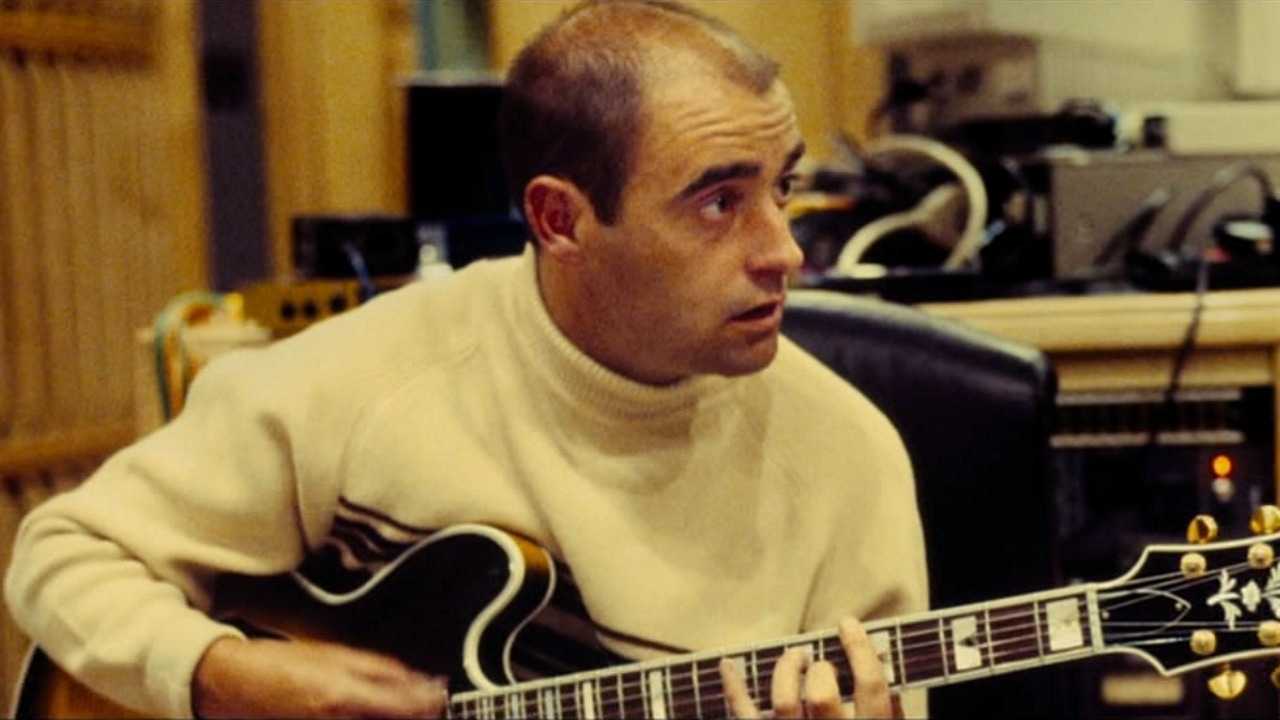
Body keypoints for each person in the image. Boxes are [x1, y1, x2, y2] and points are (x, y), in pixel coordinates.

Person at [5, 1, 928, 717]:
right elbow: (64, 553)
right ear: (560, 220)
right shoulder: (376, 371)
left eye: (784, 188)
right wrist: (223, 674)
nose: (784, 250)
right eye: (719, 203)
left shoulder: (846, 460)